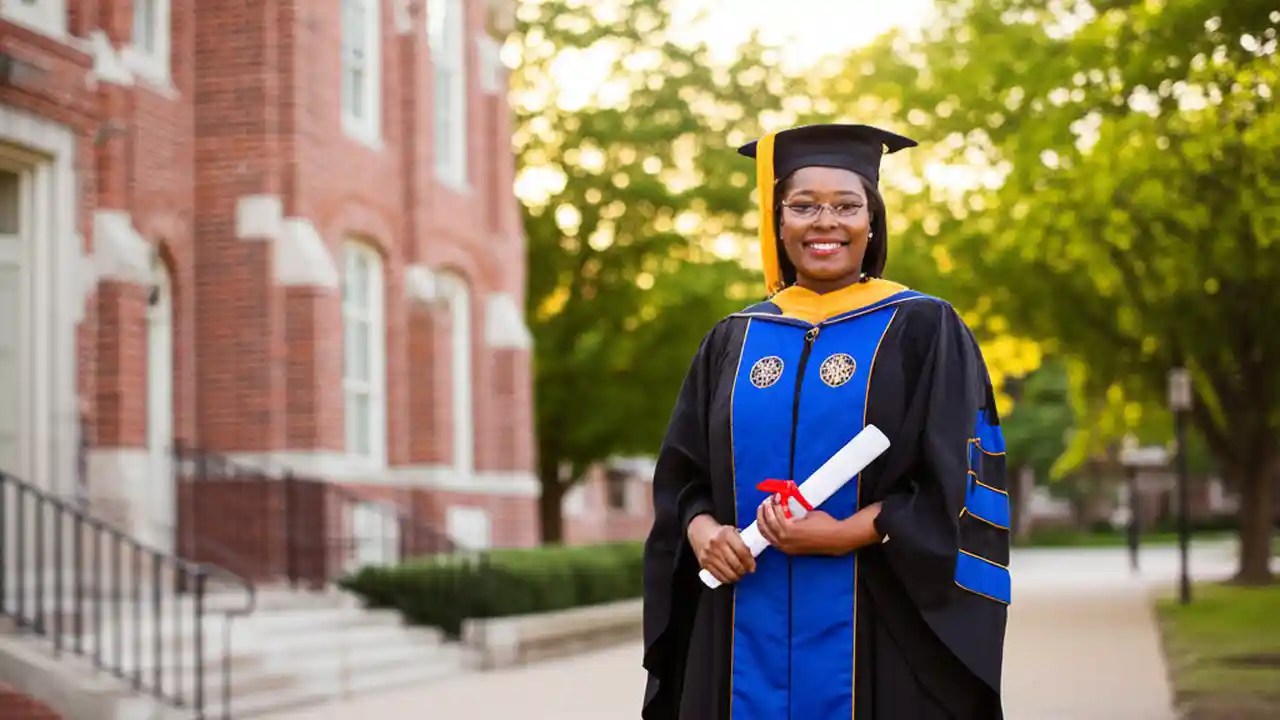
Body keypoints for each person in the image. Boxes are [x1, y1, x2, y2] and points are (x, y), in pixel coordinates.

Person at [641, 123, 1010, 719]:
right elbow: (684, 476)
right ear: (778, 221)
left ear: (872, 221)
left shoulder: (923, 328)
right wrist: (705, 534)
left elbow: (955, 477)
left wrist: (844, 533)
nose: (825, 222)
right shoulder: (734, 338)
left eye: (846, 206)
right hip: (740, 621)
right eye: (803, 206)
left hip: (877, 624)